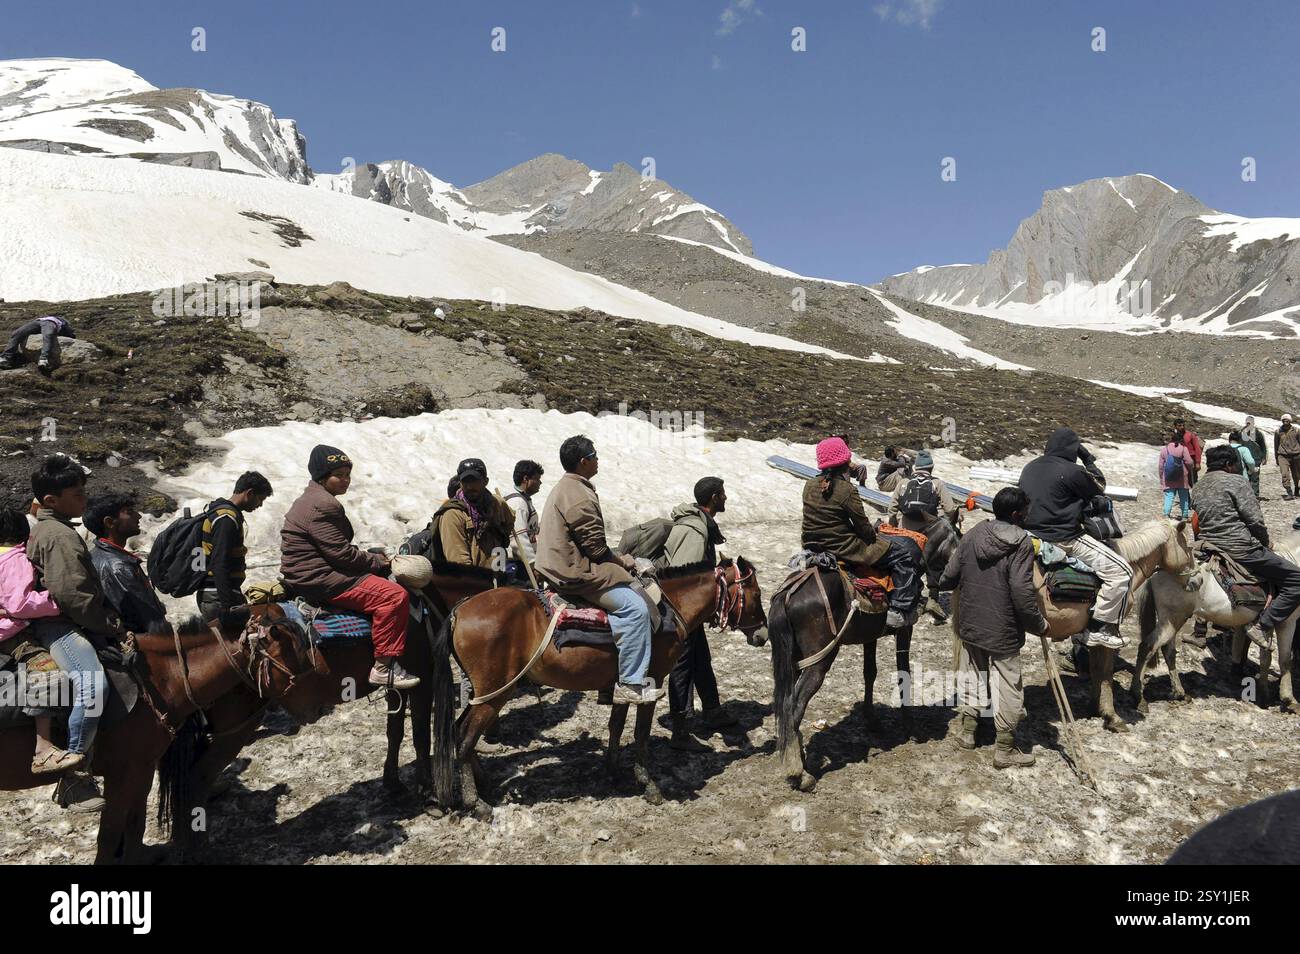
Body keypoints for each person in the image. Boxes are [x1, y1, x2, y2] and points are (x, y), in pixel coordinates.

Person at [25, 456, 124, 811]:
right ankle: (74, 774)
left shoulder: (57, 528)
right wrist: (109, 625)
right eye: (77, 493)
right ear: (51, 501)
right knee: (92, 684)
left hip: (74, 620)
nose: (85, 498)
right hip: (62, 626)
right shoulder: (57, 535)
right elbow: (72, 595)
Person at [280, 445, 418, 689]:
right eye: (339, 475)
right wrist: (377, 561)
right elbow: (341, 554)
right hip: (321, 578)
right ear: (323, 476)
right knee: (394, 597)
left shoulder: (309, 499)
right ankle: (383, 667)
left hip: (307, 574)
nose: (345, 480)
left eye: (347, 474)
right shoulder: (323, 504)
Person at [535, 435, 658, 705]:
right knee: (635, 609)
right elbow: (596, 550)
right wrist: (625, 561)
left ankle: (607, 677)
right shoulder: (578, 494)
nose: (598, 459)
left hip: (558, 566)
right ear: (584, 461)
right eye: (595, 455)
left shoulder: (566, 487)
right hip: (573, 573)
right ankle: (630, 683)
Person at [937, 486, 1047, 769]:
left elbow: (948, 576)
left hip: (970, 621)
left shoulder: (974, 533)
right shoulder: (1021, 542)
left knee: (973, 673)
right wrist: (1038, 624)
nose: (1027, 516)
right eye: (1025, 512)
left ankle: (968, 733)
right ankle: (1005, 749)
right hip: (1003, 627)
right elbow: (1022, 591)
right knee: (1008, 685)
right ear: (1015, 514)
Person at [1019, 427, 1133, 649]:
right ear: (1073, 449)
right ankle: (1101, 627)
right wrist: (1087, 458)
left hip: (1030, 534)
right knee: (1122, 572)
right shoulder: (1072, 471)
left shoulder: (1029, 467)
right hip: (1064, 537)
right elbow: (1100, 486)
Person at [801, 436, 922, 630]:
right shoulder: (846, 490)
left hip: (812, 545)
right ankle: (898, 610)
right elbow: (863, 528)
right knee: (903, 556)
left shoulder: (809, 485)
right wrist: (873, 532)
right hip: (844, 547)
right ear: (845, 463)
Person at [1192, 445, 1300, 650]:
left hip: (1207, 546)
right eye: (1235, 465)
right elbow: (1255, 520)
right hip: (1239, 547)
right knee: (1296, 580)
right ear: (1228, 464)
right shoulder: (1236, 481)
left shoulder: (1198, 486)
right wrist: (1265, 542)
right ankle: (1262, 625)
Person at [0, 507, 82, 776]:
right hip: (12, 635)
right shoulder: (14, 558)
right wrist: (56, 601)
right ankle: (44, 748)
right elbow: (21, 603)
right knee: (48, 670)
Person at [663, 476, 736, 750]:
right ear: (714, 497)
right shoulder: (697, 530)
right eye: (723, 494)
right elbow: (686, 576)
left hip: (688, 612)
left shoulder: (697, 524)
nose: (726, 498)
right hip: (683, 612)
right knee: (682, 665)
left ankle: (712, 710)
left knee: (701, 659)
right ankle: (680, 730)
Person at [887, 449, 961, 615]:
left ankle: (913, 595)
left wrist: (893, 527)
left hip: (906, 533)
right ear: (931, 468)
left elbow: (891, 509)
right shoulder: (937, 484)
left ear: (915, 468)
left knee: (908, 564)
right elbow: (949, 509)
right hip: (928, 533)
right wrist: (954, 519)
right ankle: (933, 599)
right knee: (934, 560)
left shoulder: (903, 483)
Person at [197, 472, 273, 623]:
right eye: (260, 499)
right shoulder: (226, 519)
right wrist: (227, 606)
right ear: (249, 493)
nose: (260, 505)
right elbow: (219, 562)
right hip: (218, 597)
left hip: (214, 594)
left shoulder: (218, 511)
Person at [84, 494, 166, 634]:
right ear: (110, 522)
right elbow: (148, 621)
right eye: (129, 512)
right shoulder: (118, 567)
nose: (138, 516)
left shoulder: (99, 554)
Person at [430, 458, 515, 571]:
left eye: (475, 481)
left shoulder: (497, 504)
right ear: (460, 483)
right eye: (466, 482)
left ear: (486, 481)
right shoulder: (453, 515)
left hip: (498, 574)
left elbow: (510, 522)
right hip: (474, 582)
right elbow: (459, 562)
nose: (470, 487)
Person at [505, 460, 544, 569]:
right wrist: (533, 563)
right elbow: (518, 538)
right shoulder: (518, 503)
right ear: (526, 479)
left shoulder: (523, 500)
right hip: (518, 565)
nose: (540, 483)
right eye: (537, 479)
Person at [0, 315, 74, 372]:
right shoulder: (57, 319)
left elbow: (70, 332)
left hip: (50, 323)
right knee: (17, 333)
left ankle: (43, 359)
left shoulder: (63, 322)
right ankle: (6, 358)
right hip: (38, 321)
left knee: (48, 335)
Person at [1157, 426, 1194, 518]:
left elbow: (1161, 466)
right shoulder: (1183, 448)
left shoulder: (1164, 449)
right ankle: (1184, 515)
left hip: (1169, 476)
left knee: (1169, 496)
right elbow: (1189, 462)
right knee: (1183, 496)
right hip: (1182, 476)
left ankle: (1166, 514)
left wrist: (1162, 478)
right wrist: (1189, 469)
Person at [1275, 414, 1300, 501]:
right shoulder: (1278, 431)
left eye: (1287, 420)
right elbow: (1276, 445)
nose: (1285, 421)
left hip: (1296, 455)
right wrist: (1276, 458)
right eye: (1284, 420)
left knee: (1297, 475)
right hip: (1282, 456)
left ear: (1290, 421)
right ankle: (1289, 492)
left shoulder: (1297, 430)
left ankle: (1297, 489)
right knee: (1284, 474)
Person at [1229, 431, 1260, 499]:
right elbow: (1250, 462)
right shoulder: (1243, 449)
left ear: (1229, 439)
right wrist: (1252, 470)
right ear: (1240, 440)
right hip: (1241, 476)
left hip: (1227, 477)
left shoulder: (1224, 449)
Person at [1241, 417, 1268, 499]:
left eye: (1250, 422)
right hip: (1244, 459)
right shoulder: (1241, 433)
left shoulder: (1258, 433)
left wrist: (1264, 458)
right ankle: (1247, 495)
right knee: (1245, 477)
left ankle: (1255, 496)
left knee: (1255, 477)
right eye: (1247, 422)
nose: (1248, 424)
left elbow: (1263, 446)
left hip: (1256, 459)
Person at [1174, 419, 1204, 487]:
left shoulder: (1190, 435)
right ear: (1175, 426)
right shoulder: (1174, 436)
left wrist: (1197, 462)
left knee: (1193, 481)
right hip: (1179, 460)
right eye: (1180, 425)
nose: (1182, 427)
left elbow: (1197, 449)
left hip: (1191, 459)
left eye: (1183, 425)